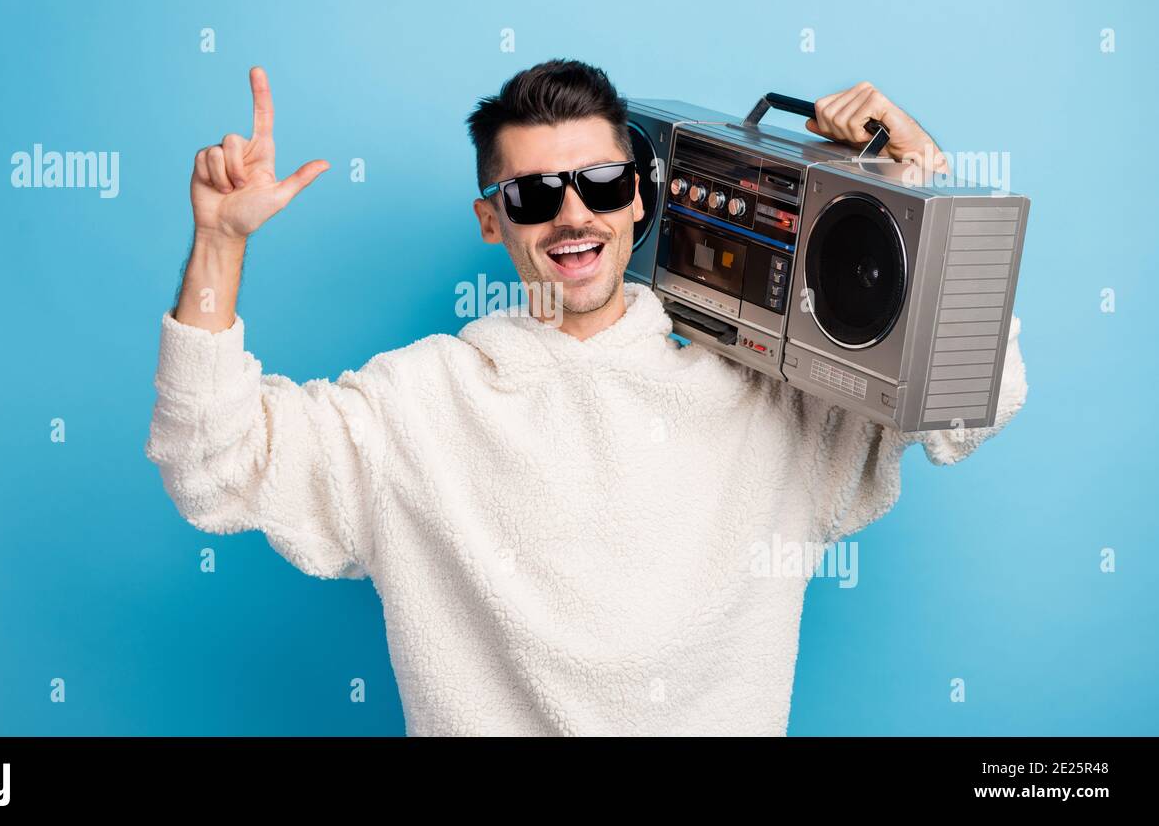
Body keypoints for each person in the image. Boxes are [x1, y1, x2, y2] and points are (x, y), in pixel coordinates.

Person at [145, 59, 1027, 735]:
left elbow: (964, 404)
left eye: (601, 184)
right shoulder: (414, 407)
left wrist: (915, 184)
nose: (574, 216)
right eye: (534, 195)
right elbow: (213, 464)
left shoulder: (769, 404)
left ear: (640, 197)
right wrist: (219, 243)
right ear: (491, 219)